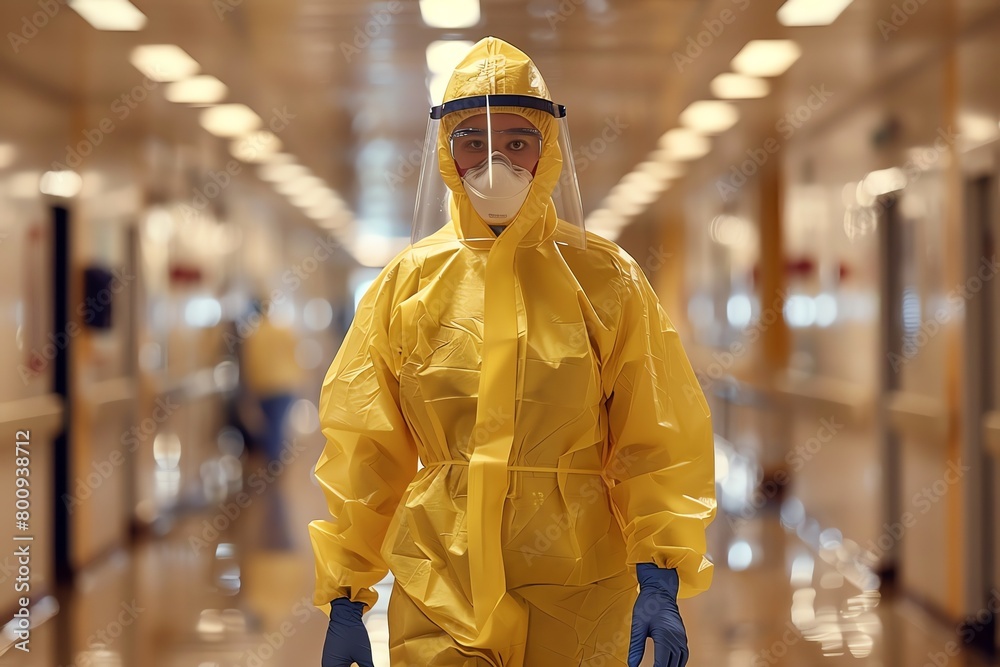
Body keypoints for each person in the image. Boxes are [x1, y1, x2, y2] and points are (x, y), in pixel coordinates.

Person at [310, 37, 716, 667]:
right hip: (444, 580)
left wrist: (661, 572)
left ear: (546, 148)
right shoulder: (407, 285)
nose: (493, 161)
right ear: (448, 152)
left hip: (578, 584)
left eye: (516, 142)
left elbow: (656, 436)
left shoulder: (605, 279)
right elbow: (365, 447)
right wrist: (345, 593)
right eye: (473, 140)